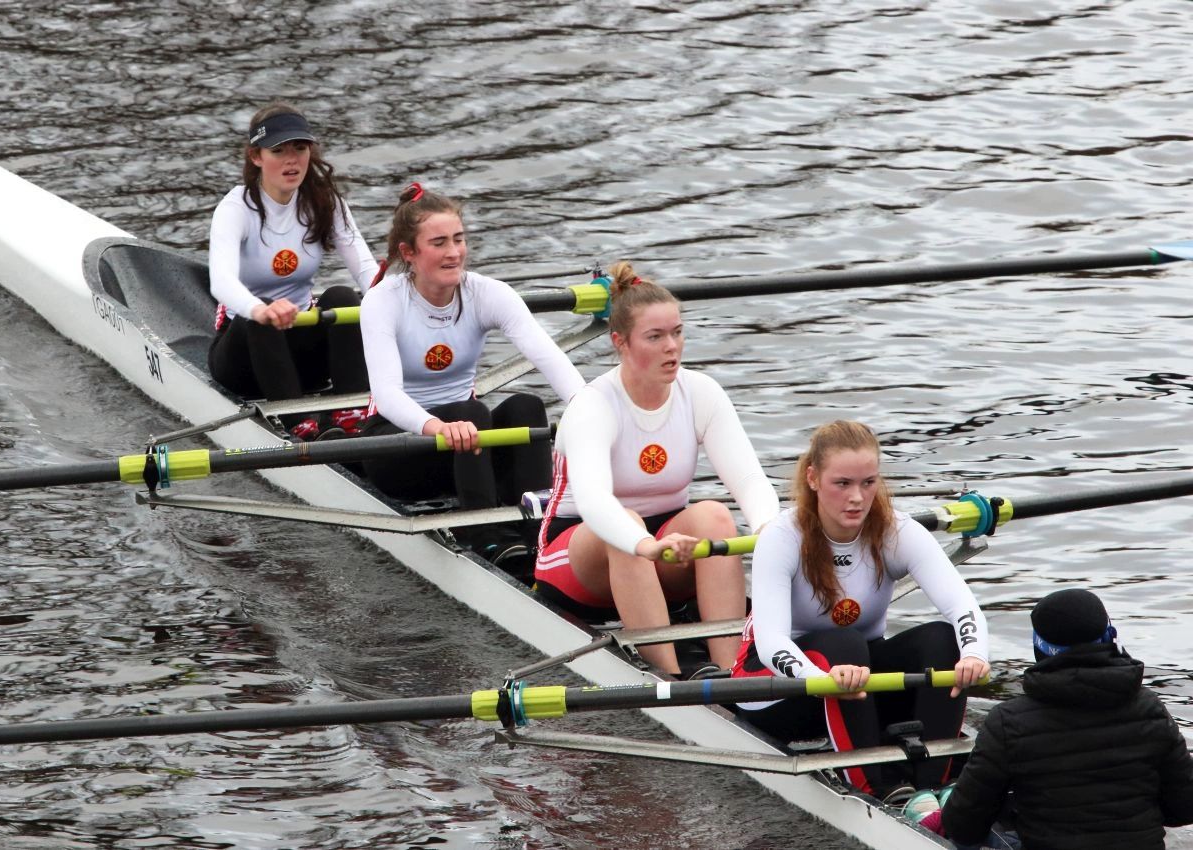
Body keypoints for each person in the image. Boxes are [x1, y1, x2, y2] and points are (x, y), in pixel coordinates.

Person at [534, 262, 780, 677]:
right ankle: (670, 677)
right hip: (579, 557)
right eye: (655, 337)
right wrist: (640, 543)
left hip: (665, 545)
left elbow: (749, 480)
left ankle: (731, 674)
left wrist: (769, 527)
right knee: (624, 525)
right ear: (621, 343)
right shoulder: (593, 405)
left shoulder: (700, 392)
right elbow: (595, 501)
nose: (672, 347)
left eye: (677, 332)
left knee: (715, 515)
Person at [730, 419, 989, 798]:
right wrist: (819, 678)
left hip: (855, 684)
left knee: (942, 640)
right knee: (846, 644)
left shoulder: (896, 532)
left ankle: (934, 786)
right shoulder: (782, 538)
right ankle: (876, 790)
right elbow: (770, 642)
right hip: (775, 687)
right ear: (813, 478)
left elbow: (962, 606)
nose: (857, 498)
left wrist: (974, 655)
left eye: (868, 483)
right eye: (843, 484)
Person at [360, 183, 584, 512]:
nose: (454, 252)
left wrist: (588, 408)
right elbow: (387, 394)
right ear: (409, 252)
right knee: (472, 414)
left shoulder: (487, 293)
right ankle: (483, 534)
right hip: (394, 449)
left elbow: (547, 356)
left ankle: (539, 529)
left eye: (458, 239)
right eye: (439, 243)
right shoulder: (383, 300)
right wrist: (441, 428)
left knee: (527, 407)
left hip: (465, 443)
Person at [928, 587, 1193, 850]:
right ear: (1109, 639)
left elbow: (964, 826)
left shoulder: (1008, 722)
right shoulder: (1150, 708)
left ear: (1040, 648)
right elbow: (1184, 808)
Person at [208, 102, 379, 440]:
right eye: (279, 150)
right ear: (256, 156)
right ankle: (295, 424)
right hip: (244, 359)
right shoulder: (236, 208)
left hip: (302, 354)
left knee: (344, 298)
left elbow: (367, 272)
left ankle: (353, 414)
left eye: (300, 148)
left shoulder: (324, 202)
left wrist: (406, 301)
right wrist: (261, 308)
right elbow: (221, 281)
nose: (292, 159)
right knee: (260, 317)